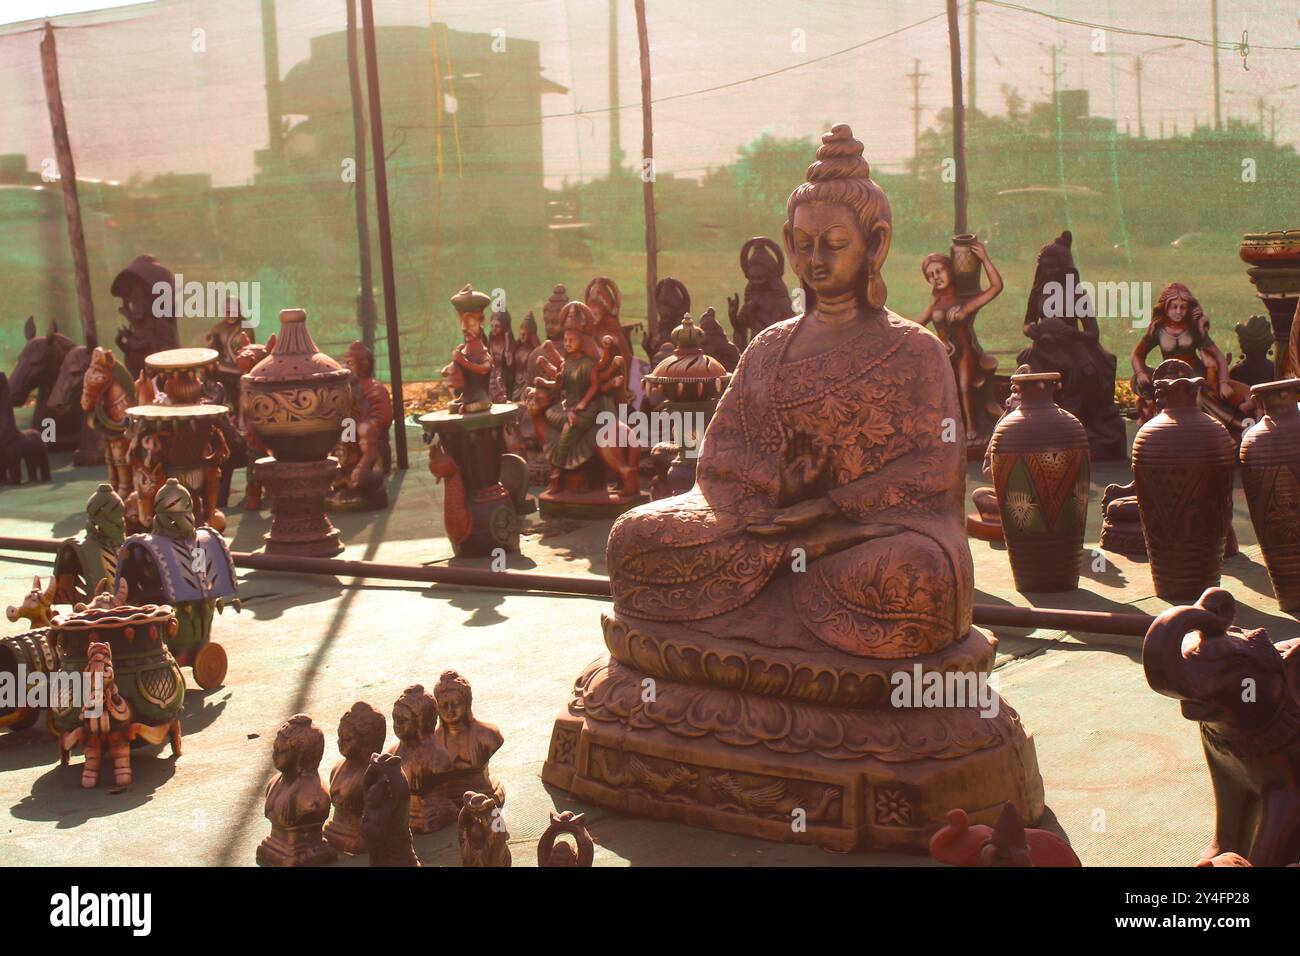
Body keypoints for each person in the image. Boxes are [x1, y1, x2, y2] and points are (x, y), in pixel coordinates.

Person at [916, 242, 1002, 443]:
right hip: (944, 355)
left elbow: (996, 287)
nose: (936, 276)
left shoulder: (964, 299)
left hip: (966, 353)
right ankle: (950, 432)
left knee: (964, 387)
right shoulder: (936, 304)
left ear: (949, 270)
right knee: (943, 390)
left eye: (940, 271)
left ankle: (972, 429)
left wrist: (984, 258)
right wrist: (937, 341)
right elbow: (915, 326)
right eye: (931, 274)